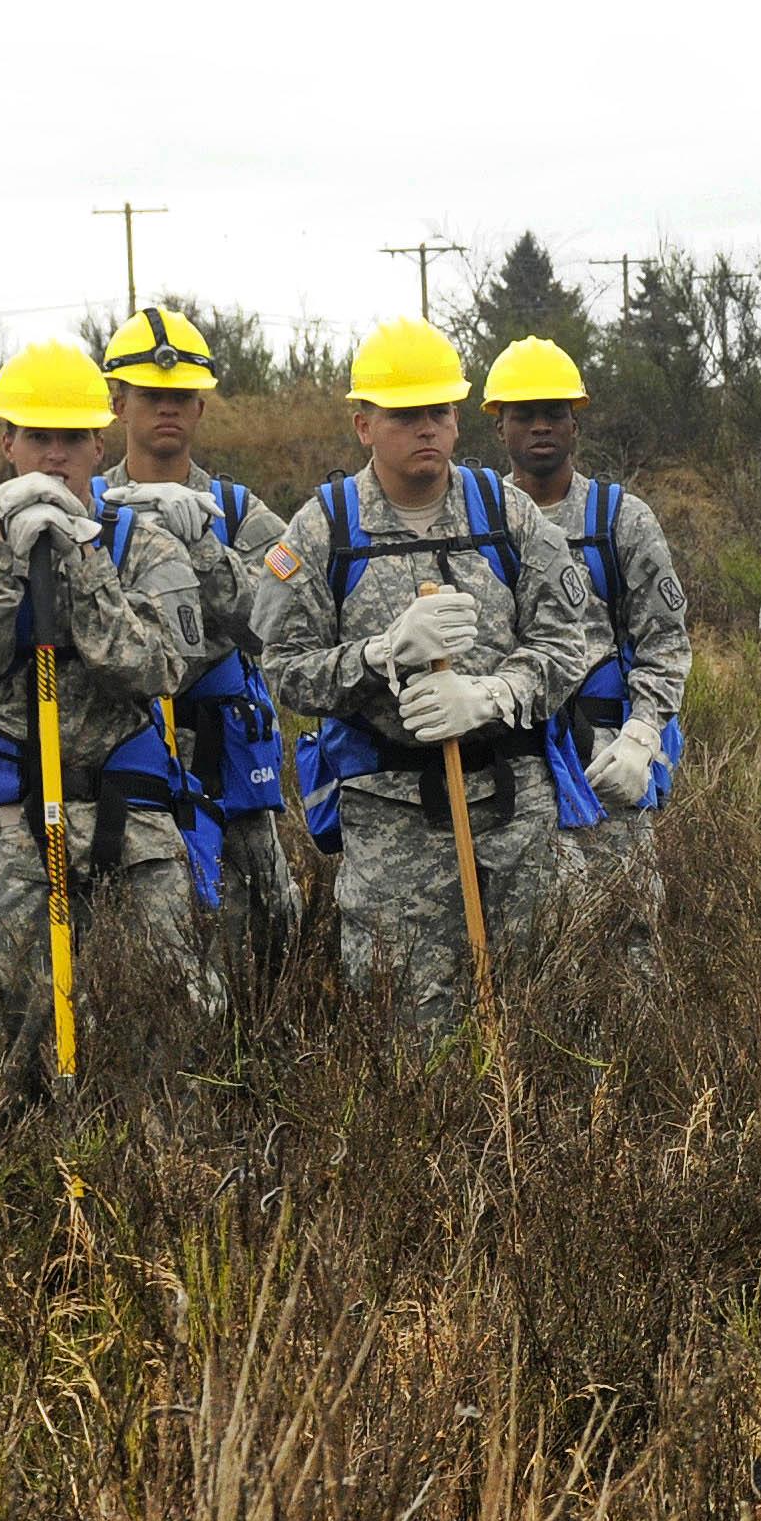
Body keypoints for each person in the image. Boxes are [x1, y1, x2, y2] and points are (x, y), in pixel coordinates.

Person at [256, 321, 599, 1040]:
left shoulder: (505, 513)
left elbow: (568, 640)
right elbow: (285, 670)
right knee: (407, 1030)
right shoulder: (323, 531)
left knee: (538, 1017)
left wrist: (496, 693)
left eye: (440, 413)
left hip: (513, 807)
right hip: (391, 817)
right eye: (406, 415)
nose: (429, 430)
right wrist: (380, 655)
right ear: (363, 426)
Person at [0, 341, 215, 1081]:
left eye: (72, 438)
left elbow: (157, 667)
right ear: (6, 441)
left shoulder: (143, 543)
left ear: (98, 443)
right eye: (37, 436)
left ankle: (168, 1179)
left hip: (130, 820)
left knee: (171, 1008)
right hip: (9, 821)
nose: (55, 456)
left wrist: (83, 563)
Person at [98, 304, 305, 964]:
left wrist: (204, 546)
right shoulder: (85, 514)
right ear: (118, 402)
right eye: (152, 395)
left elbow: (271, 618)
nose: (168, 409)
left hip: (222, 756)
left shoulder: (240, 513)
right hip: (120, 749)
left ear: (201, 408)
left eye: (182, 396)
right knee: (138, 936)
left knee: (266, 922)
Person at [485, 335, 689, 923]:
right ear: (499, 427)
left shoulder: (619, 518)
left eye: (555, 413)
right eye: (523, 415)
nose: (540, 427)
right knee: (522, 943)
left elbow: (665, 642)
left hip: (605, 765)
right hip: (507, 763)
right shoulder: (479, 520)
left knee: (627, 940)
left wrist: (642, 737)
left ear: (576, 424)